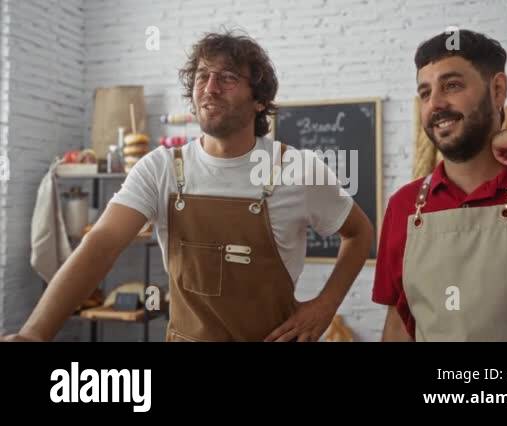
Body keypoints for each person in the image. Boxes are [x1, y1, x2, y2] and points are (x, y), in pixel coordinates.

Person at [3, 31, 373, 342]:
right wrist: (33, 334)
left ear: (259, 100)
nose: (210, 88)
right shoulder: (160, 168)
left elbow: (359, 233)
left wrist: (327, 304)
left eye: (227, 77)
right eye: (201, 76)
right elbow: (100, 245)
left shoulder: (297, 169)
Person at [373, 29, 507, 342]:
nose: (436, 103)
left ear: (497, 90)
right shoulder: (403, 204)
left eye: (452, 85)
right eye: (425, 93)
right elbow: (400, 324)